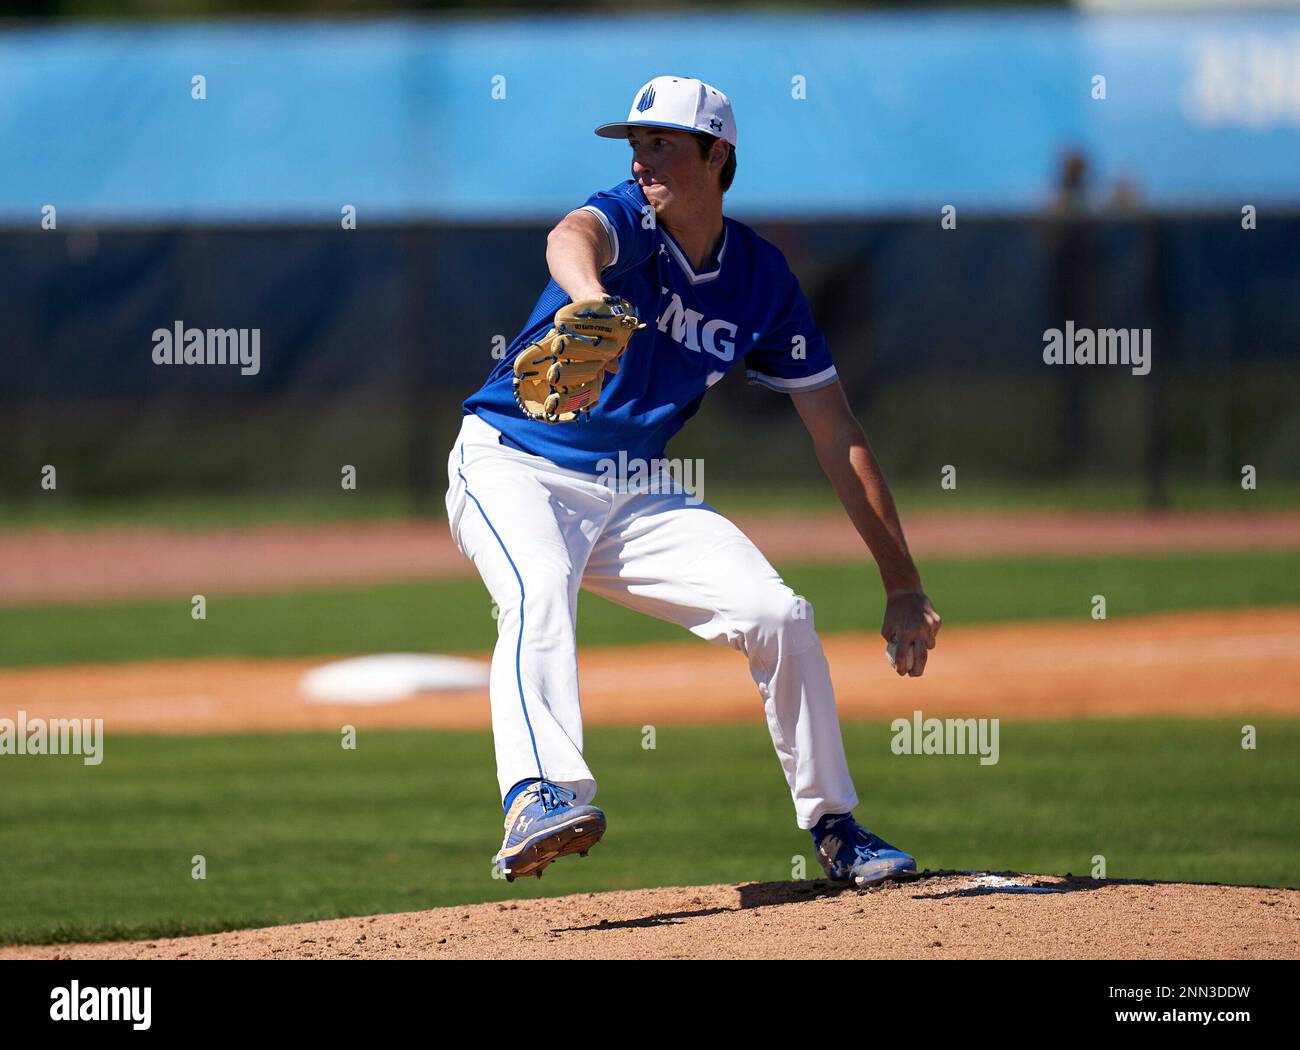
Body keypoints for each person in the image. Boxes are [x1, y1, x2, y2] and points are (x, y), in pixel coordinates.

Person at [445, 76, 940, 887]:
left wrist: (902, 582)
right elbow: (570, 234)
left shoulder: (762, 282)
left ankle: (836, 826)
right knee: (538, 588)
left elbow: (836, 431)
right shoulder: (630, 222)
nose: (643, 160)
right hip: (512, 463)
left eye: (663, 144)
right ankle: (538, 794)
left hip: (632, 487)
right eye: (635, 145)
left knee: (776, 613)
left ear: (718, 156)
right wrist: (593, 297)